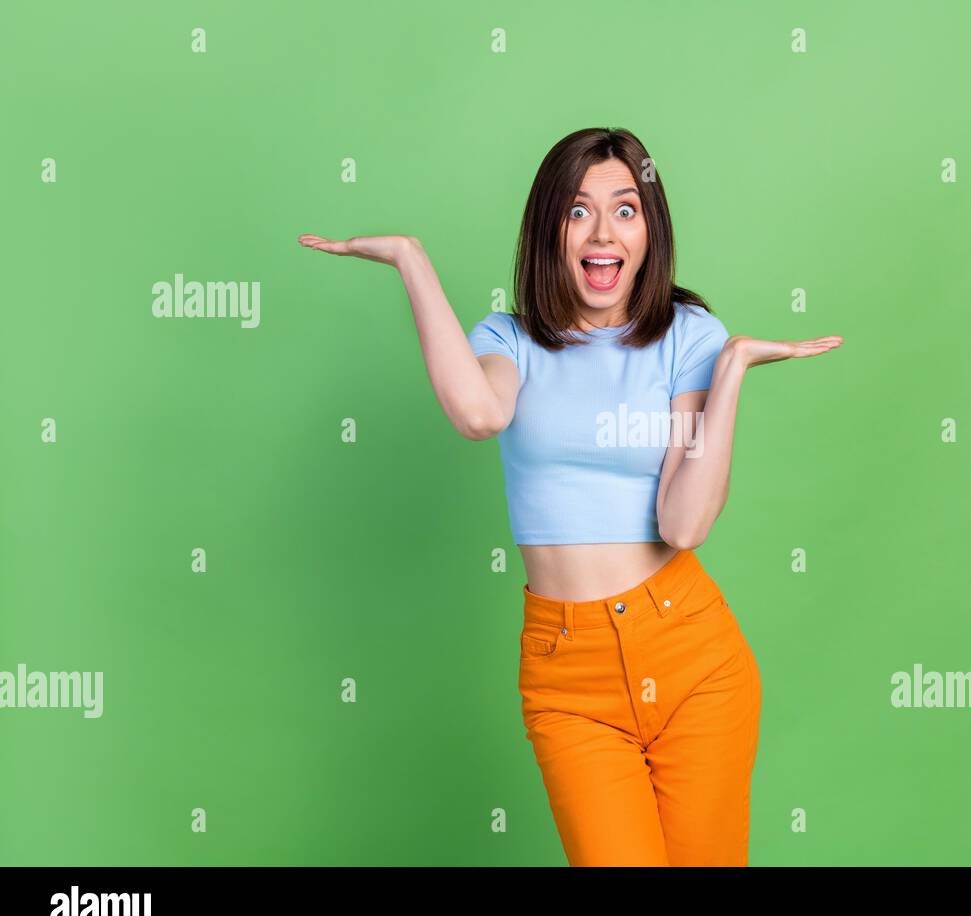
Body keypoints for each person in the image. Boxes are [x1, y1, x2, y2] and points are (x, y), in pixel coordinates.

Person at [298, 127, 841, 865]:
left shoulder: (690, 336)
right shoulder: (510, 340)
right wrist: (411, 261)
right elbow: (478, 415)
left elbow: (684, 523)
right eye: (578, 211)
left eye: (625, 209)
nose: (602, 233)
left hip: (691, 656)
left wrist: (735, 369)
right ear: (550, 229)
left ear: (650, 229)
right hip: (567, 674)